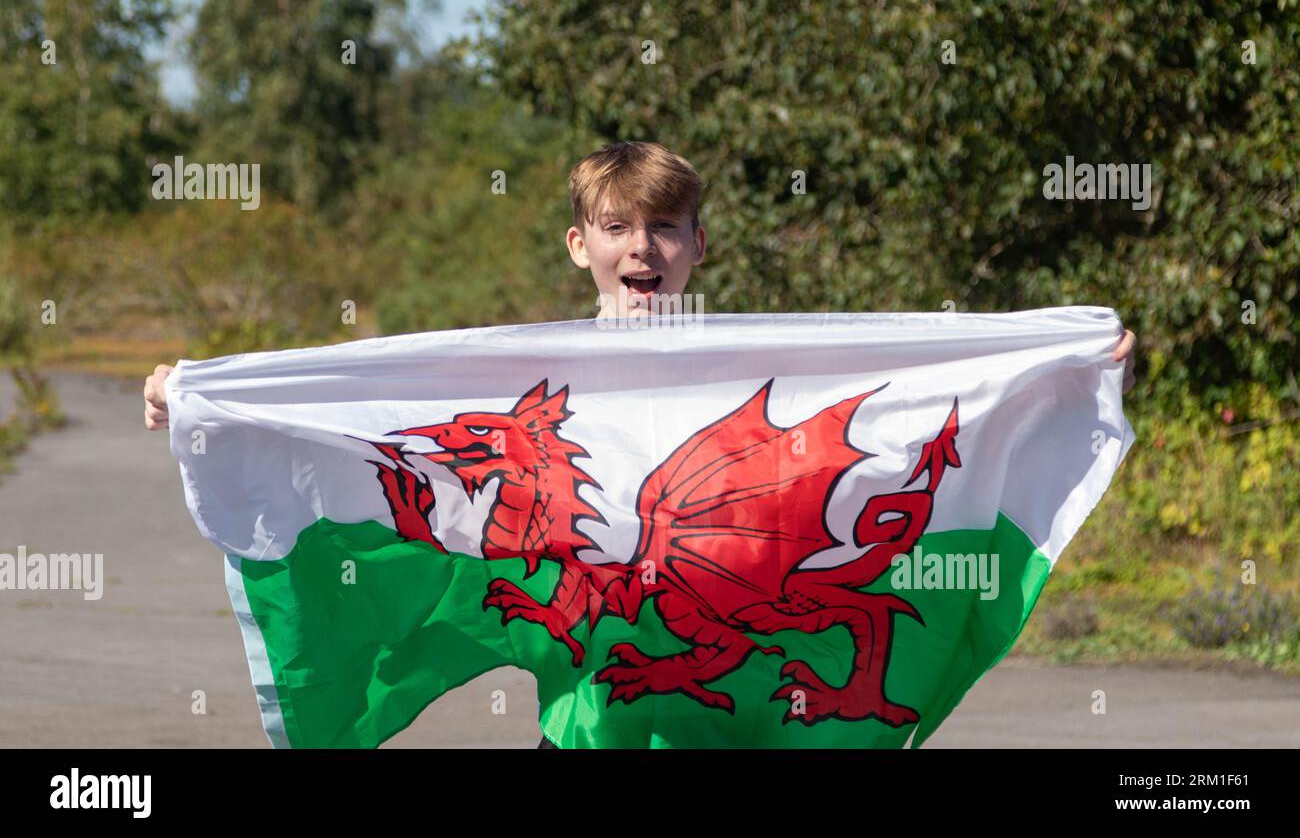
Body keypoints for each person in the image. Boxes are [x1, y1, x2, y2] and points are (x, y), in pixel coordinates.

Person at [142, 141, 1137, 748]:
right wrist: (201, 399)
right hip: (592, 727)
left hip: (747, 722)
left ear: (699, 243)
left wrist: (1067, 367)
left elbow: (917, 393)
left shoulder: (772, 368)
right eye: (618, 227)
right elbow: (365, 423)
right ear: (580, 243)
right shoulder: (523, 376)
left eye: (664, 227)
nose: (641, 248)